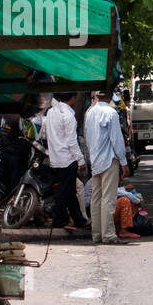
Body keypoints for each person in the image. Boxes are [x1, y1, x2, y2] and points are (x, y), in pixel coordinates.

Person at [83, 90, 129, 245]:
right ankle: (108, 235)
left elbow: (88, 138)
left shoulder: (90, 113)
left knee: (96, 199)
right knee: (108, 199)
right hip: (109, 159)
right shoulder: (111, 112)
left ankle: (96, 234)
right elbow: (116, 139)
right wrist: (123, 161)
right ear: (110, 97)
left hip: (95, 160)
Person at [43, 91, 87, 234]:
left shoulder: (51, 113)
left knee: (69, 190)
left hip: (56, 157)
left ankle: (79, 219)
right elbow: (72, 141)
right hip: (68, 158)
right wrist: (80, 159)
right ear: (73, 98)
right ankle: (59, 220)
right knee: (64, 190)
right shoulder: (68, 116)